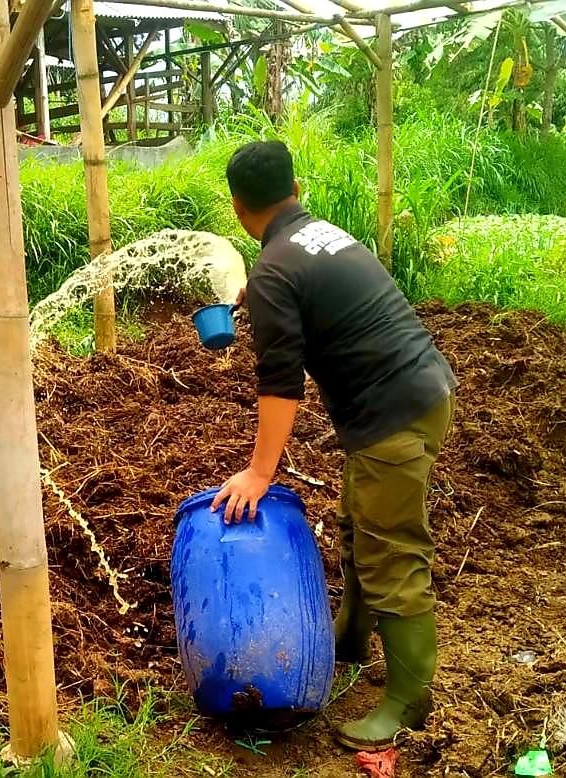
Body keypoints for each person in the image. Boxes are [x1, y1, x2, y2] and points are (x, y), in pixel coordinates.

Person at [210, 140, 457, 751]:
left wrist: (259, 473)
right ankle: (350, 638)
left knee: (391, 554)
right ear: (296, 190)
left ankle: (406, 702)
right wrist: (263, 301)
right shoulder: (319, 235)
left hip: (390, 415)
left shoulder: (274, 270)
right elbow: (318, 297)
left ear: (239, 206)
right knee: (357, 525)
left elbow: (281, 384)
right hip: (421, 390)